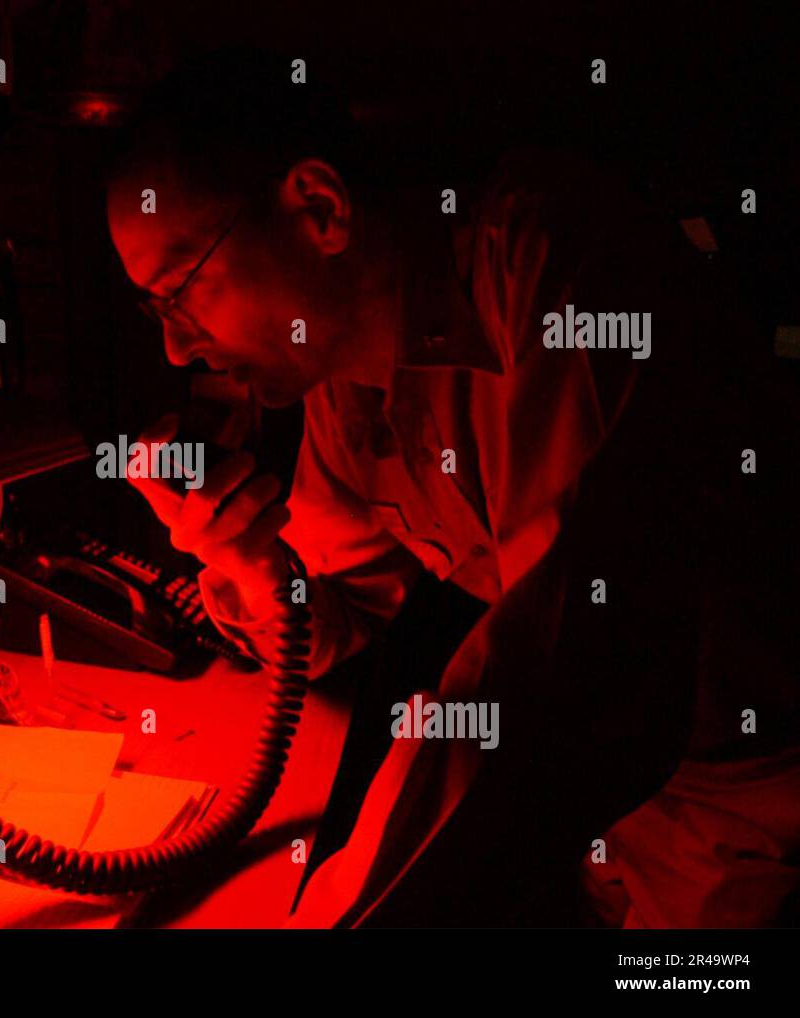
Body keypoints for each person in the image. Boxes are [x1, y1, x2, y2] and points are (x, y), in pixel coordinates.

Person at [105, 55, 799, 927]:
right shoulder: (341, 379)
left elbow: (577, 659)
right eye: (154, 312)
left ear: (318, 207)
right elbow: (348, 613)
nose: (176, 349)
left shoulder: (546, 251)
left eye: (181, 291)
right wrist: (245, 558)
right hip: (601, 816)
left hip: (743, 797)